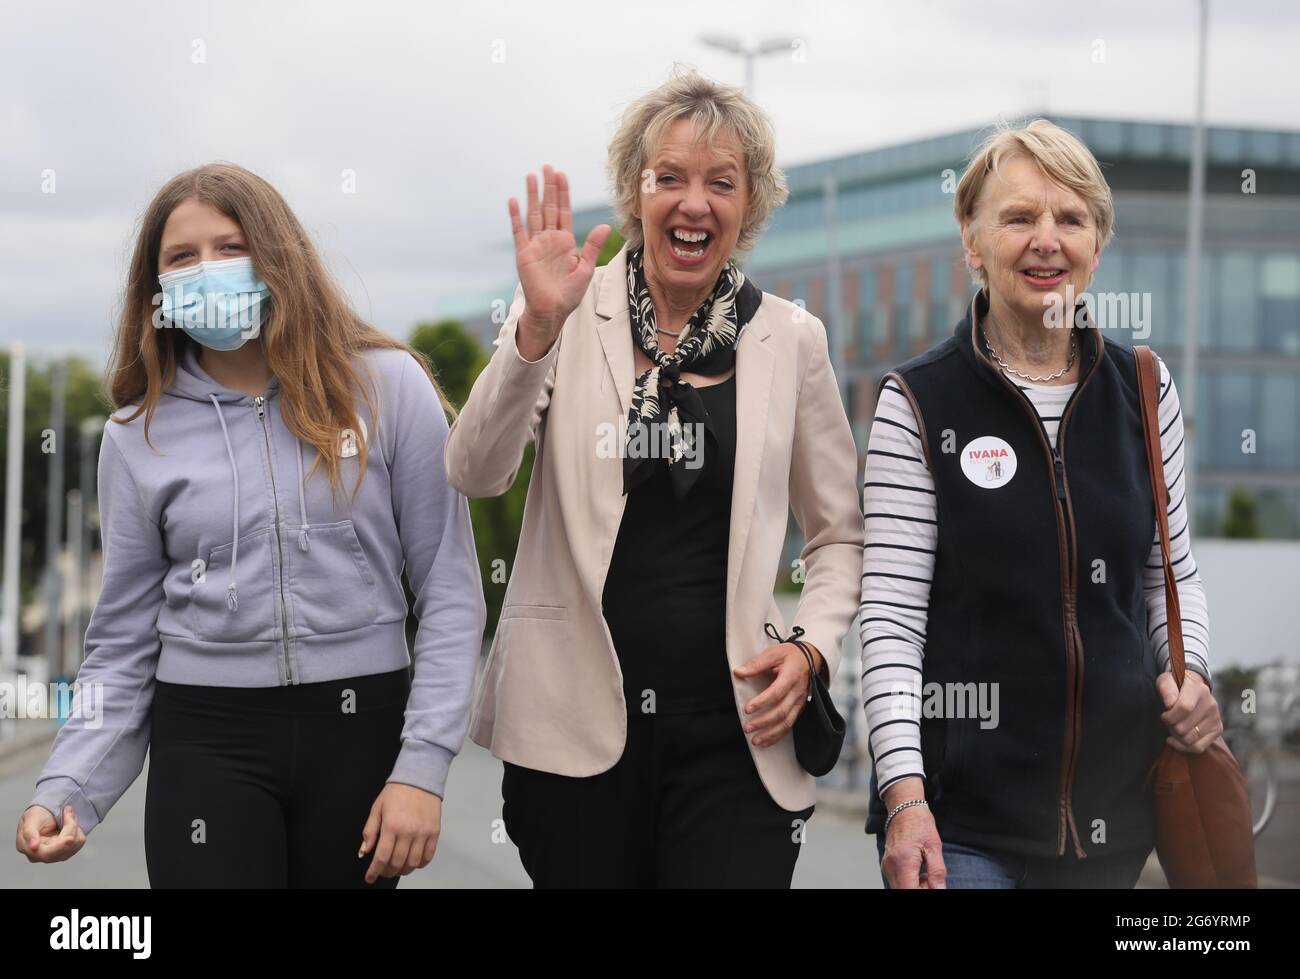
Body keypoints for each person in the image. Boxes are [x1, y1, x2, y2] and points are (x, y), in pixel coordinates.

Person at [446, 69, 863, 887]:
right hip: (574, 738)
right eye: (668, 177)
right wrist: (534, 327)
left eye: (721, 182)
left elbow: (840, 534)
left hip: (737, 738)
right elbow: (475, 470)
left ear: (751, 205)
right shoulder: (565, 308)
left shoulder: (792, 340)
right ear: (636, 195)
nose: (693, 202)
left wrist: (813, 647)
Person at [15, 163, 486, 888]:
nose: (208, 271)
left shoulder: (388, 387)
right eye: (182, 257)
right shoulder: (136, 434)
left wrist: (422, 767)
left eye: (230, 247)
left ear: (277, 256)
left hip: (357, 725)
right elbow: (122, 639)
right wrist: (68, 787)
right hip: (205, 739)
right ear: (156, 288)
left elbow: (451, 591)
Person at [861, 119, 1220, 889]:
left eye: (1071, 218)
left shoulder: (1146, 390)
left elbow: (1169, 575)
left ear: (1098, 243)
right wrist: (903, 796)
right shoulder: (918, 403)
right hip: (960, 825)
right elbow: (890, 616)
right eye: (1019, 217)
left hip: (1113, 822)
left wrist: (1194, 679)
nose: (1046, 240)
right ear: (973, 240)